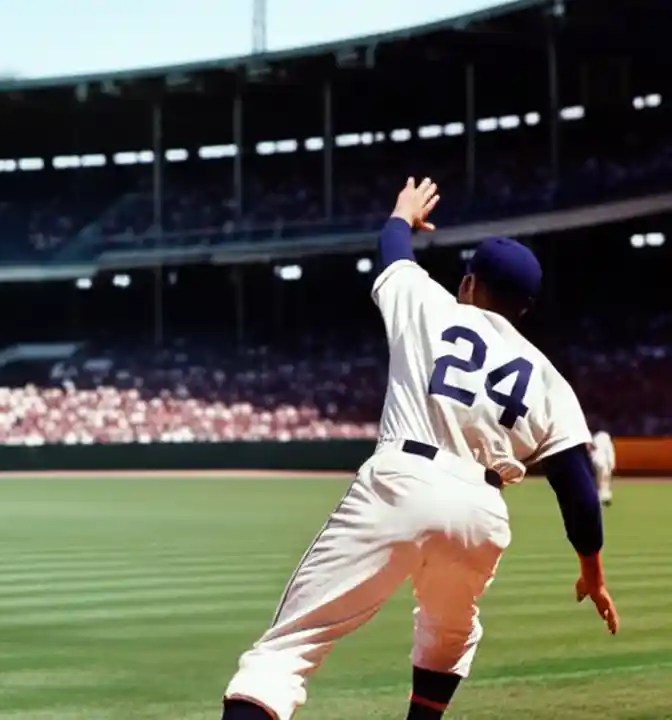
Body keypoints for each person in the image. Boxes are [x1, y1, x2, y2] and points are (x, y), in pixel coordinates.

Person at [220, 178, 619, 720]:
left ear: (470, 282)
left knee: (286, 651)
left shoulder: (431, 305)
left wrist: (402, 216)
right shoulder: (550, 380)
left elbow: (393, 253)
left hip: (404, 476)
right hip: (481, 512)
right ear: (524, 308)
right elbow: (576, 484)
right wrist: (591, 571)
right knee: (449, 636)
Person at [590, 430, 616, 506]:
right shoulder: (606, 441)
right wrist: (612, 465)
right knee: (605, 480)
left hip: (595, 461)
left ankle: (601, 497)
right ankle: (605, 497)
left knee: (598, 481)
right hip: (603, 462)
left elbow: (592, 452)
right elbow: (610, 452)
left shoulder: (594, 439)